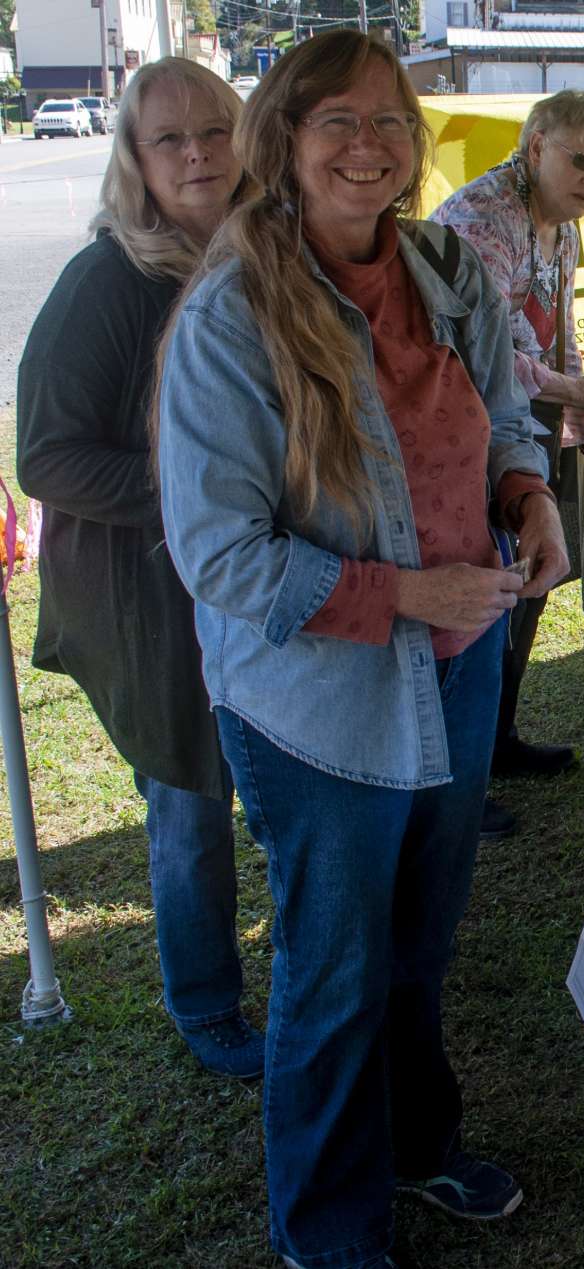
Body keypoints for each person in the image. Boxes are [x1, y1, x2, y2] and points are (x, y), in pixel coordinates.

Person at [155, 31, 566, 1266]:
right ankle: (326, 1228)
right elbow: (220, 555)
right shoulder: (231, 312)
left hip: (460, 661)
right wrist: (408, 594)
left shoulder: (445, 268)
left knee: (417, 948)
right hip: (319, 702)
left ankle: (414, 1146)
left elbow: (503, 412)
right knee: (333, 972)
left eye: (390, 121)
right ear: (282, 137)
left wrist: (529, 495)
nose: (367, 145)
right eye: (336, 120)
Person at [15, 58, 260, 1080]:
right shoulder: (109, 277)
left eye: (215, 130)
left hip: (235, 568)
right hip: (142, 590)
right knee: (189, 798)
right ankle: (205, 1006)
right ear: (135, 159)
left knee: (252, 769)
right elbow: (45, 457)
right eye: (171, 140)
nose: (198, 154)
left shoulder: (259, 251)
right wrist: (194, 492)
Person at [431, 89, 584, 834]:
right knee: (477, 608)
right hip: (459, 440)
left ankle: (497, 742)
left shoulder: (563, 230)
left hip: (524, 434)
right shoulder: (481, 222)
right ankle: (454, 783)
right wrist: (571, 389)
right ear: (534, 145)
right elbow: (475, 361)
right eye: (580, 160)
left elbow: (562, 342)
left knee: (526, 590)